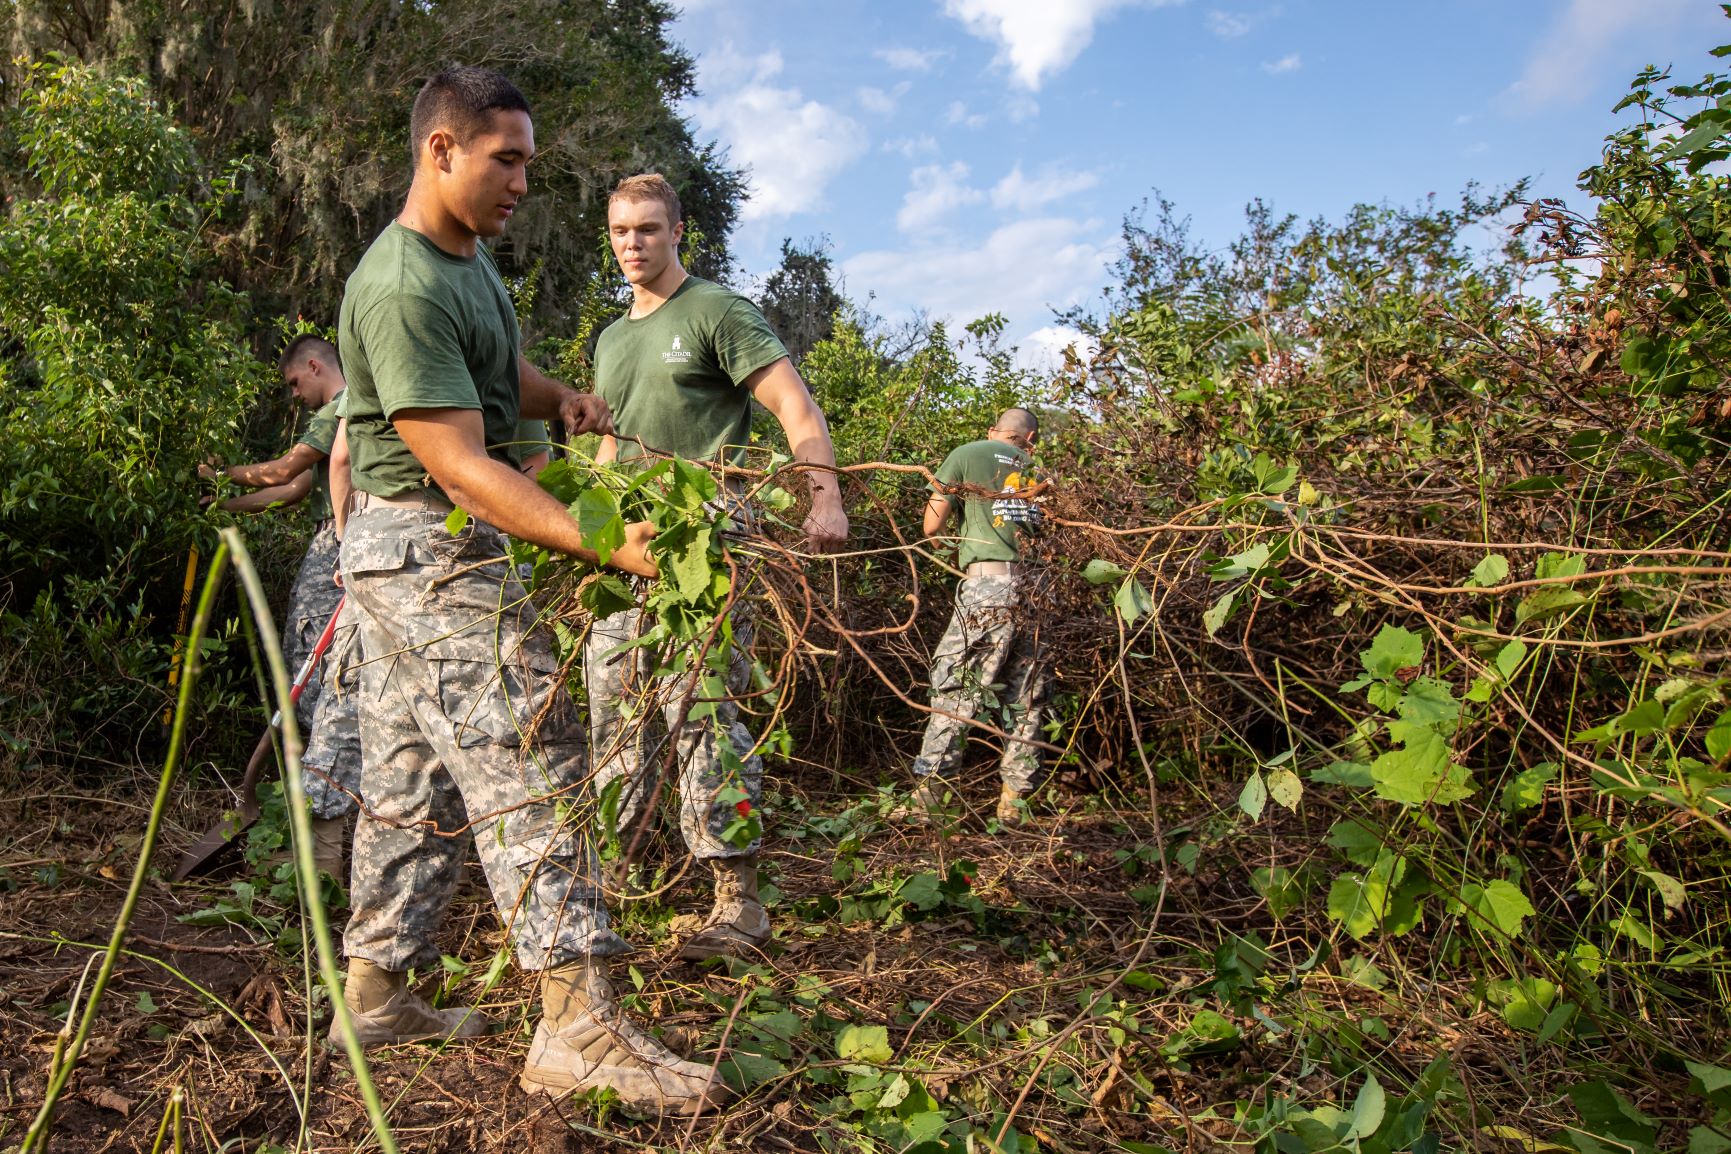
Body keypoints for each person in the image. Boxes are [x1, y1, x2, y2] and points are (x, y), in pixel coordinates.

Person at [333, 66, 726, 1116]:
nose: (521, 183)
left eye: (528, 163)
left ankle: (373, 993)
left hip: (415, 551)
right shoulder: (402, 284)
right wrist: (606, 543)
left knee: (412, 784)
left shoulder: (465, 263)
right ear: (442, 150)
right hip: (427, 547)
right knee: (535, 757)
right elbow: (462, 466)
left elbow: (496, 377)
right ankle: (577, 1028)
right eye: (505, 159)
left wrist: (563, 400)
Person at [585, 173, 848, 962]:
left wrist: (825, 497)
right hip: (626, 545)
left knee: (702, 709)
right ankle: (615, 882)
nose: (633, 243)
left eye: (648, 229)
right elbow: (609, 446)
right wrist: (588, 540)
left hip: (705, 535)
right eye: (621, 231)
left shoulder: (716, 311)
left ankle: (738, 901)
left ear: (677, 232)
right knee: (612, 712)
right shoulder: (610, 338)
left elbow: (794, 406)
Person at [201, 334, 358, 875]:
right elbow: (290, 490)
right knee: (308, 670)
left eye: (294, 382)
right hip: (336, 539)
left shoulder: (342, 405)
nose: (294, 395)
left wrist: (218, 473)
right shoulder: (336, 418)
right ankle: (310, 794)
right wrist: (224, 503)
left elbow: (285, 469)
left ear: (314, 366)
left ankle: (318, 812)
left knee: (315, 673)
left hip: (339, 543)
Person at [906, 408, 1051, 824]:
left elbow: (931, 525)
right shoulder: (1041, 471)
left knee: (955, 686)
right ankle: (1015, 804)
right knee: (1026, 696)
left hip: (989, 586)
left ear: (993, 432)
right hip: (1039, 590)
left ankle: (931, 801)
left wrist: (954, 552)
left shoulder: (967, 453)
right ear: (1030, 441)